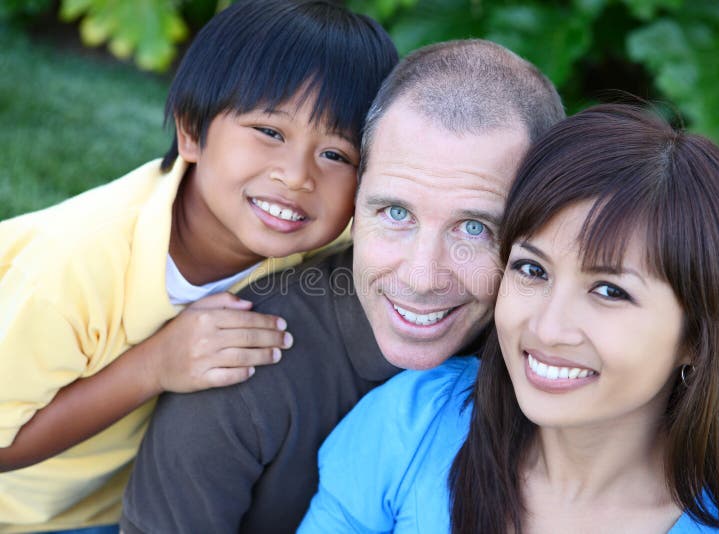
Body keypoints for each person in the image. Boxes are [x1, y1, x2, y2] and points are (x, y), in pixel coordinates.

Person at [119, 39, 565, 533]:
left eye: (475, 228)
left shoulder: (560, 366)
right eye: (396, 213)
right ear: (355, 196)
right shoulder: (240, 363)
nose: (421, 277)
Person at [300, 104, 719, 533]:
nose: (546, 328)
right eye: (532, 269)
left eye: (609, 291)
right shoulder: (414, 423)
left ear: (697, 335)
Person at [0, 1, 398, 532]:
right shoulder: (75, 267)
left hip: (111, 503)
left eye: (337, 156)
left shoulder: (310, 227)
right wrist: (155, 365)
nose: (298, 176)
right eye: (270, 132)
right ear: (191, 130)